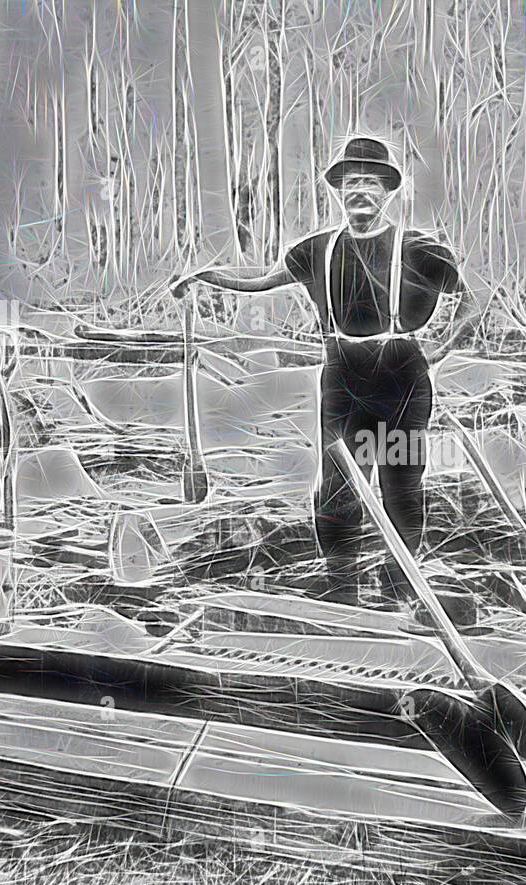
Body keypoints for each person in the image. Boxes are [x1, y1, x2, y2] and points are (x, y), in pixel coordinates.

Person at [172, 136, 481, 607]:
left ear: (388, 192)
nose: (360, 191)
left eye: (371, 183)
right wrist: (204, 276)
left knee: (400, 478)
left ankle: (405, 591)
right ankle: (343, 588)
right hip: (341, 374)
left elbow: (474, 299)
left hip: (400, 375)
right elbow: (259, 279)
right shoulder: (316, 250)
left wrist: (442, 345)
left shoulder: (418, 249)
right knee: (336, 483)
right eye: (352, 182)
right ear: (339, 191)